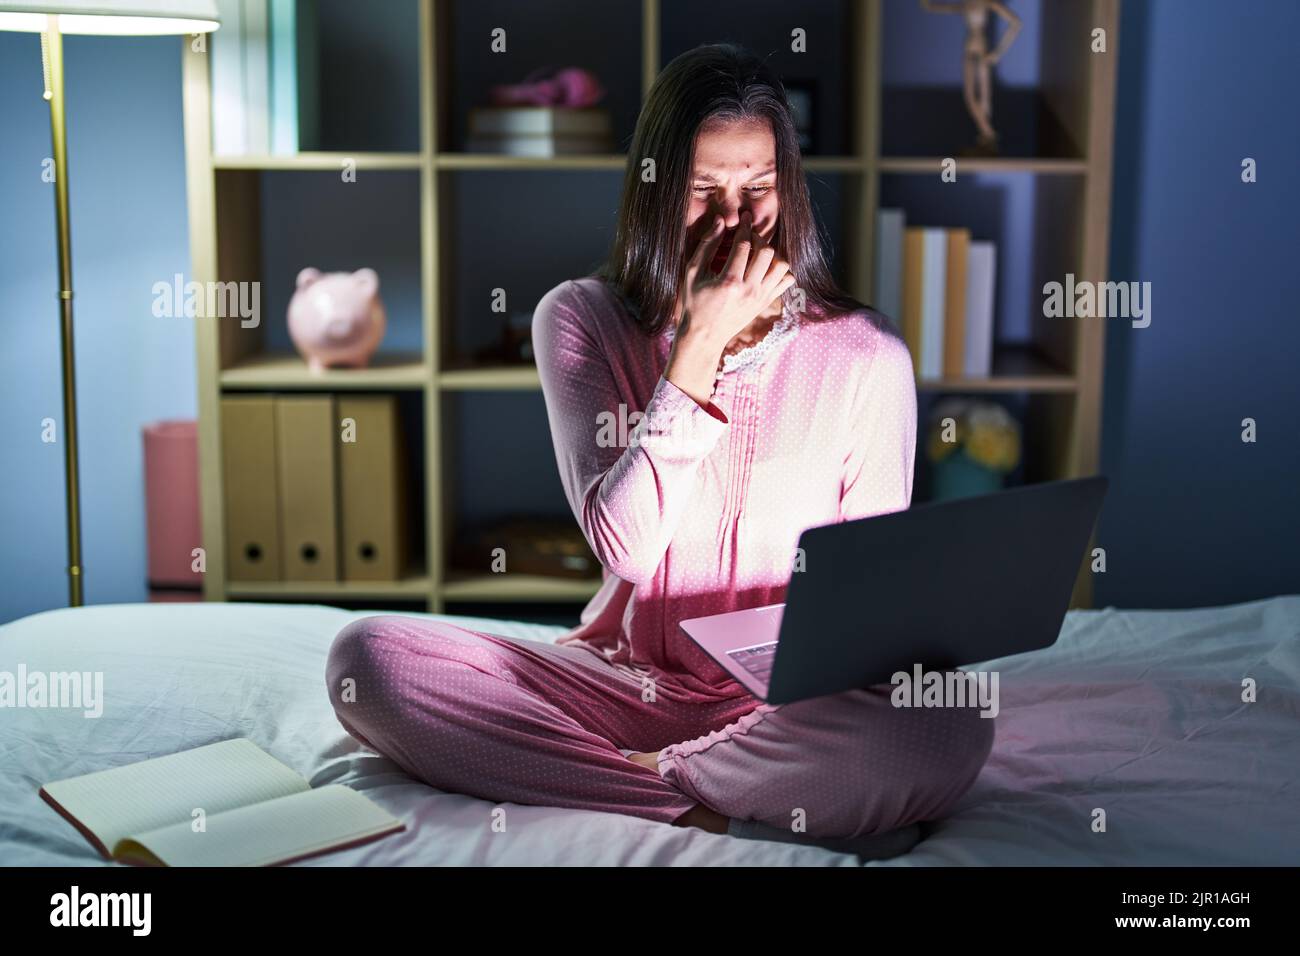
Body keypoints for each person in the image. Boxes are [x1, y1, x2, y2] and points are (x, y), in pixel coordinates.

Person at [326, 43, 994, 860]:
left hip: (787, 705)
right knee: (369, 660)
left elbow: (870, 603)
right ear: (653, 192)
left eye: (758, 191)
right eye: (703, 192)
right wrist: (697, 351)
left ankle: (672, 777)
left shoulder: (865, 355)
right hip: (625, 682)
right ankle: (690, 799)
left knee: (950, 716)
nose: (734, 221)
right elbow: (626, 546)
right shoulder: (578, 320)